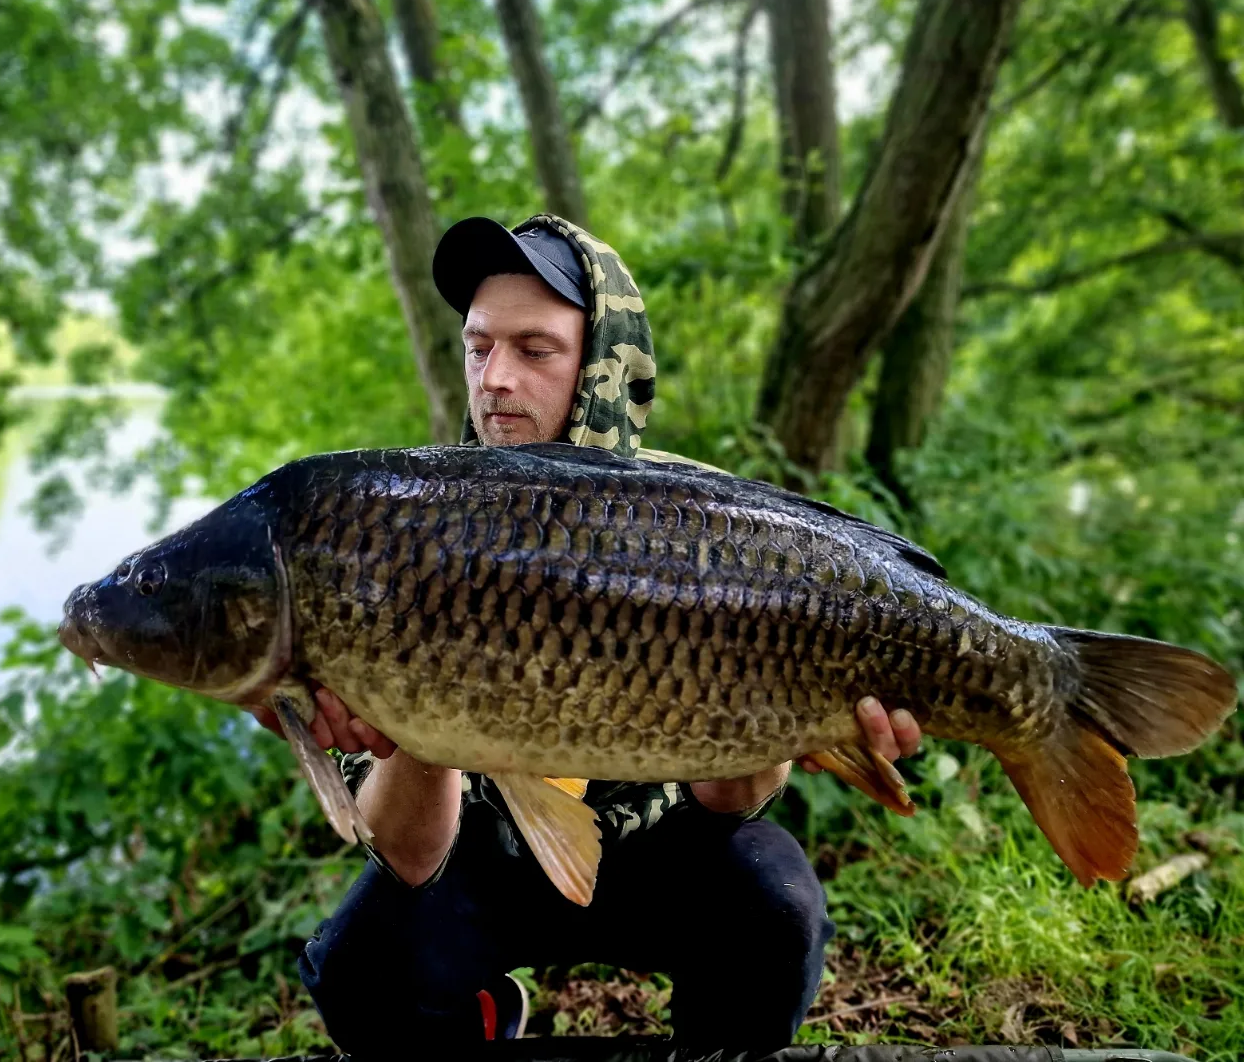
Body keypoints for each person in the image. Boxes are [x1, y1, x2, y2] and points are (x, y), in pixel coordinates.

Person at [253, 215, 922, 1053]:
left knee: (775, 907)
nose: (496, 379)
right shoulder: (390, 532)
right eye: (478, 346)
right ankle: (488, 1019)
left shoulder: (710, 523)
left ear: (602, 363)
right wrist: (418, 707)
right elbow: (411, 856)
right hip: (484, 853)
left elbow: (730, 797)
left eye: (535, 350)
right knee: (358, 969)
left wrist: (803, 713)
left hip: (665, 847)